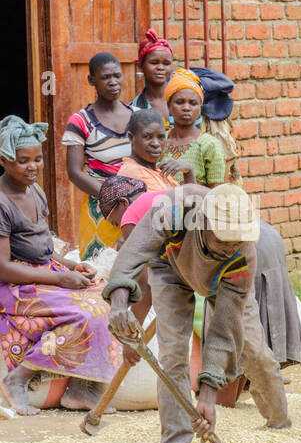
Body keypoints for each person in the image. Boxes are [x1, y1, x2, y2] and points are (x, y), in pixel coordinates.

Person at [103, 184, 291, 443]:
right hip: (171, 269)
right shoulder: (174, 209)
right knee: (173, 356)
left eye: (236, 242)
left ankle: (279, 426)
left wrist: (208, 393)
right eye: (224, 240)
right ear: (203, 223)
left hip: (225, 282)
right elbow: (132, 256)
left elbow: (224, 331)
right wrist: (119, 303)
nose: (230, 249)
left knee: (254, 350)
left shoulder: (241, 256)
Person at [164, 67, 301, 368]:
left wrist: (189, 182)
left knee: (232, 301)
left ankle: (237, 367)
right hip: (169, 223)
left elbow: (219, 195)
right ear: (169, 106)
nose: (187, 108)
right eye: (180, 103)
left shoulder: (210, 143)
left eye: (194, 103)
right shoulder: (161, 141)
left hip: (204, 226)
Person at [0, 116, 120, 414]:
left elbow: (41, 247)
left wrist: (69, 265)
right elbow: (3, 267)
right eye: (22, 161)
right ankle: (17, 378)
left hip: (43, 274)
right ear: (3, 160)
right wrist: (61, 280)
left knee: (105, 300)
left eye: (38, 160)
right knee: (85, 314)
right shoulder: (2, 203)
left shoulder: (34, 190)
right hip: (15, 285)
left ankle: (80, 389)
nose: (32, 167)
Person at [62, 52, 134, 258]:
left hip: (136, 204)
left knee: (137, 274)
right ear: (91, 80)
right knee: (100, 273)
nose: (113, 82)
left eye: (117, 76)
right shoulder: (81, 121)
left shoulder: (137, 116)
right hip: (100, 209)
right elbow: (75, 172)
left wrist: (132, 200)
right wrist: (112, 198)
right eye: (105, 77)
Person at [117, 108, 194, 192]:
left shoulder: (156, 171)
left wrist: (188, 171)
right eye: (148, 137)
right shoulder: (133, 172)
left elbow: (191, 202)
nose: (156, 144)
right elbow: (182, 203)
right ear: (131, 138)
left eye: (161, 137)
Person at [130, 29, 175, 118]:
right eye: (154, 63)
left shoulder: (182, 102)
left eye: (166, 63)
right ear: (140, 66)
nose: (160, 68)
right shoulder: (135, 108)